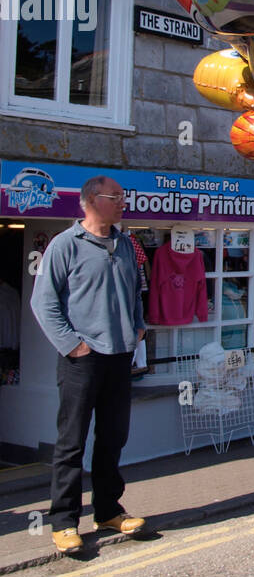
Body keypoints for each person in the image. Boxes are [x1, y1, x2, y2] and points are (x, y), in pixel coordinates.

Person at [29, 176, 146, 555]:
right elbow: (43, 303)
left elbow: (135, 292)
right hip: (81, 358)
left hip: (119, 356)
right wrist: (72, 345)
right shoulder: (65, 245)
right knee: (71, 442)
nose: (123, 203)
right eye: (117, 197)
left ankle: (108, 511)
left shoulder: (125, 243)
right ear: (92, 200)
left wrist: (138, 326)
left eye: (123, 197)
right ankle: (64, 522)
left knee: (113, 438)